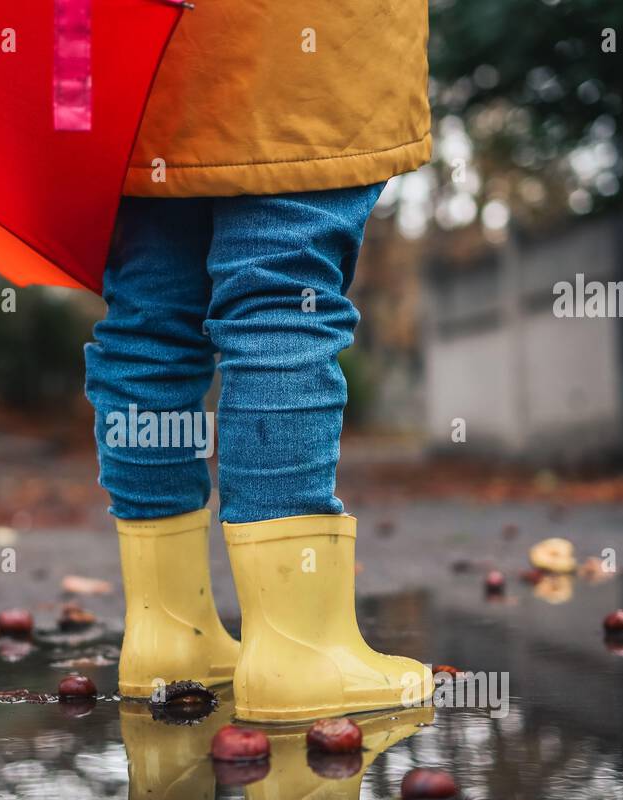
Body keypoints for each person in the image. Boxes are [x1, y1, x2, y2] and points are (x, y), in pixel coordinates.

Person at [84, 1, 435, 723]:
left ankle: (164, 637)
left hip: (131, 54)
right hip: (289, 47)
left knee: (149, 323)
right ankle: (297, 648)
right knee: (282, 293)